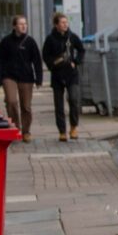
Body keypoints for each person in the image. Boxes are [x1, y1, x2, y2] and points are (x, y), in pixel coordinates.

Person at [0, 15, 43, 142]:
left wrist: (39, 79)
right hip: (9, 76)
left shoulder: (30, 42)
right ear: (14, 26)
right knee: (11, 101)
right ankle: (16, 128)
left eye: (25, 24)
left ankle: (26, 131)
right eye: (21, 24)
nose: (23, 26)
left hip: (26, 77)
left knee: (26, 106)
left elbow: (37, 61)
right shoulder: (6, 41)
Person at [43, 13, 86, 142]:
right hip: (57, 74)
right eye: (62, 22)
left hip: (71, 74)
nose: (65, 24)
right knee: (59, 105)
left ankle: (73, 127)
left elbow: (81, 50)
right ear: (56, 24)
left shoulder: (72, 37)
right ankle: (62, 131)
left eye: (66, 22)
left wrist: (76, 62)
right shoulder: (50, 39)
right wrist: (53, 64)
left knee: (74, 99)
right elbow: (45, 55)